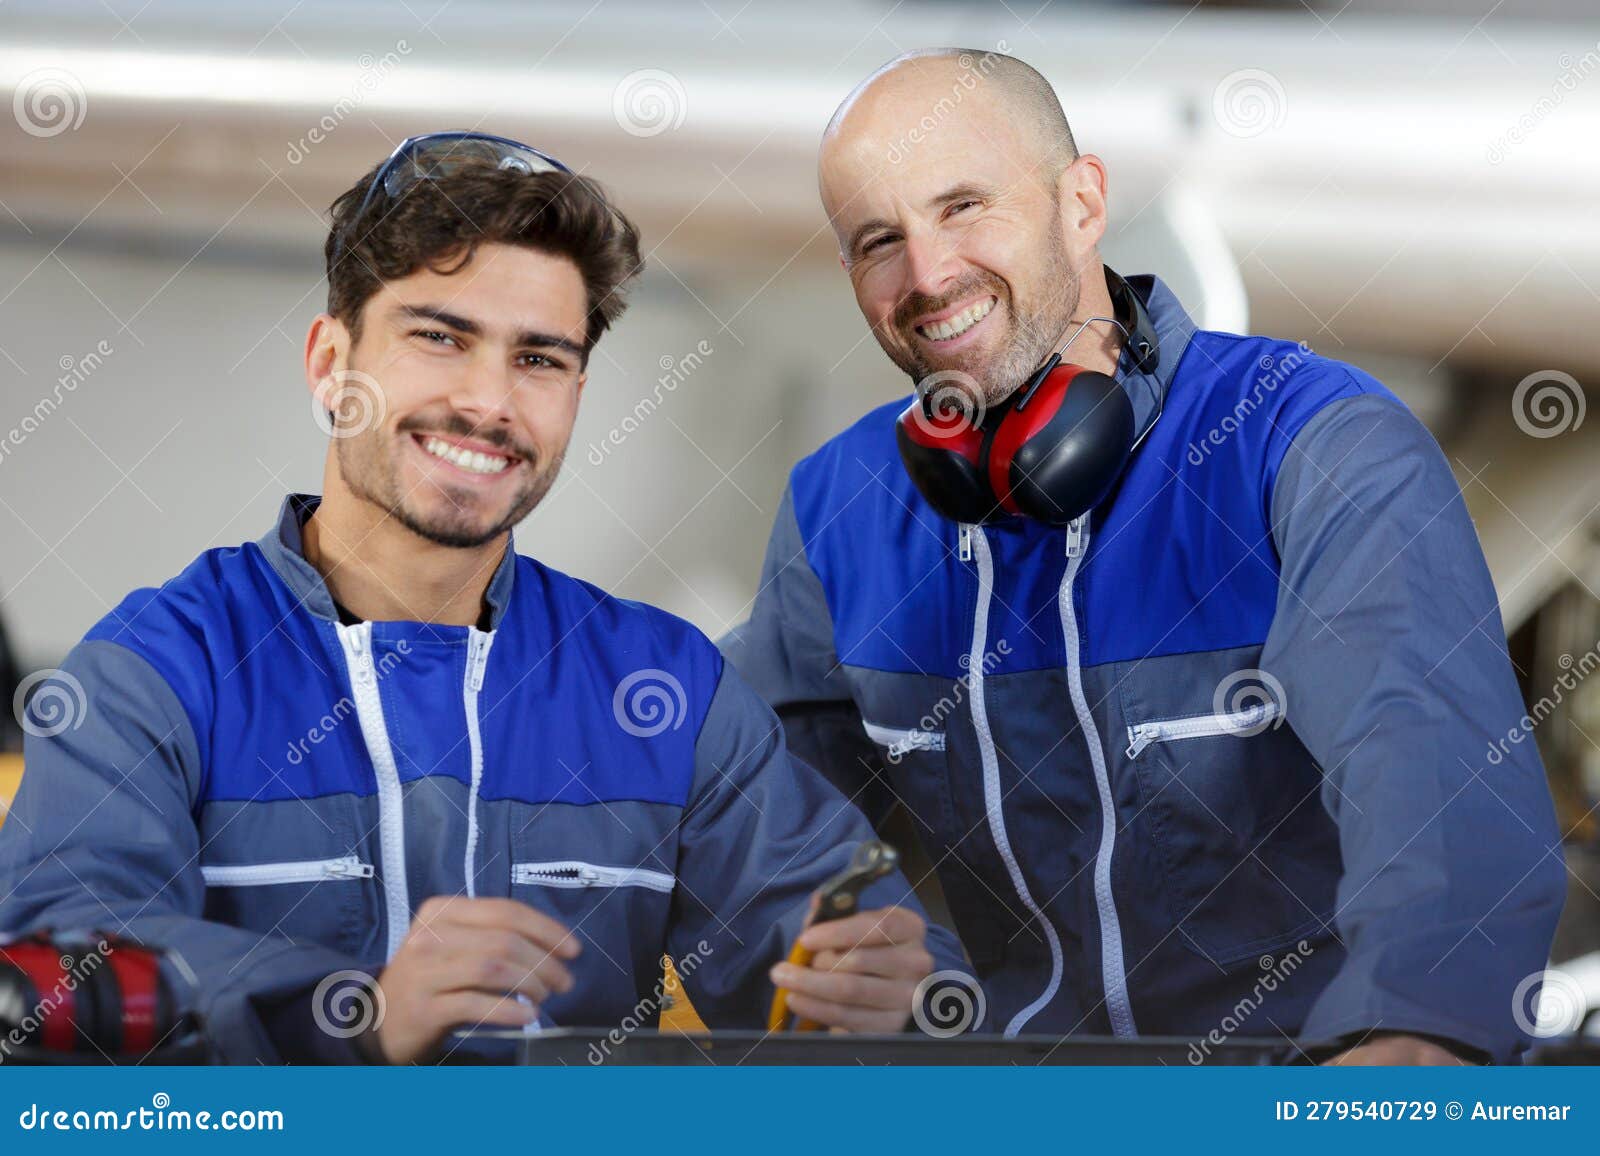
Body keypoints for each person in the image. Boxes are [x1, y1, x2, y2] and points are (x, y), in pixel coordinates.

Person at [0, 132, 953, 1064]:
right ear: (332, 367)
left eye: (539, 358)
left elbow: (840, 930)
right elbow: (56, 975)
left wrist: (886, 998)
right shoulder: (156, 672)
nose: (490, 402)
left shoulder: (664, 690)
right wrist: (349, 1013)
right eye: (440, 337)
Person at [722, 51, 1566, 1064]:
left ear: (1081, 204)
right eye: (877, 241)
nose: (927, 273)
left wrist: (1410, 1038)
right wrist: (884, 957)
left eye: (963, 207)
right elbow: (747, 807)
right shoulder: (837, 506)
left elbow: (1442, 813)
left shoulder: (1312, 446)